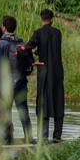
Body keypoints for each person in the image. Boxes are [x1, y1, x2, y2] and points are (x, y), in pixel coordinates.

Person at [0, 16, 34, 143]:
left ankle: (7, 139)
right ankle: (29, 138)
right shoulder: (22, 42)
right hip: (21, 82)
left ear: (4, 28)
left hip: (7, 84)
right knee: (24, 111)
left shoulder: (1, 44)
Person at [29, 8, 65, 142]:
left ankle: (43, 137)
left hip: (44, 72)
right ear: (52, 19)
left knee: (43, 101)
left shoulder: (38, 33)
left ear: (41, 18)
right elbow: (51, 48)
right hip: (57, 72)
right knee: (58, 100)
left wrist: (32, 60)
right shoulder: (58, 33)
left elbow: (28, 47)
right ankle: (57, 136)